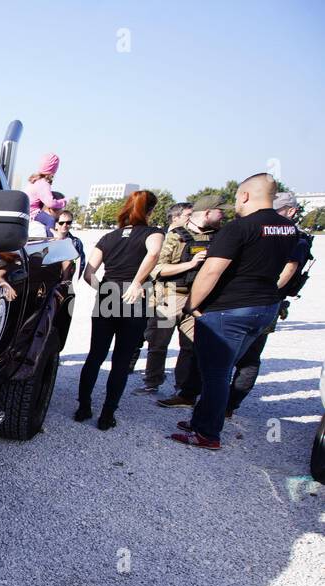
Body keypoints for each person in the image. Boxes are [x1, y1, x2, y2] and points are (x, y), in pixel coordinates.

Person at [170, 173, 301, 450]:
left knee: (216, 374)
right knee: (224, 369)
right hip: (265, 308)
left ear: (244, 195)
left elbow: (212, 270)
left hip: (230, 309)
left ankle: (207, 433)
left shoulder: (239, 228)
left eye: (237, 198)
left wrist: (193, 305)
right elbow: (288, 267)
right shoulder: (288, 228)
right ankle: (202, 419)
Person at [75, 190, 163, 430]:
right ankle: (107, 415)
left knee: (95, 355)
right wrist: (136, 282)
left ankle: (83, 407)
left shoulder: (109, 236)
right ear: (151, 211)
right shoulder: (153, 233)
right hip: (133, 296)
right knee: (121, 361)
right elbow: (154, 252)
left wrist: (102, 289)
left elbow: (88, 273)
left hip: (108, 293)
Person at [225, 191, 314, 418]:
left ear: (291, 211)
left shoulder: (294, 236)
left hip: (266, 302)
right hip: (251, 299)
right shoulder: (271, 232)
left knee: (248, 356)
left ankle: (229, 404)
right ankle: (217, 400)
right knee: (229, 352)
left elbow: (289, 269)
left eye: (276, 211)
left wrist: (264, 295)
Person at [143, 196, 226, 399]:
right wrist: (190, 264)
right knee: (158, 344)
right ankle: (152, 381)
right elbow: (158, 269)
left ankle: (182, 387)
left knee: (190, 346)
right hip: (171, 296)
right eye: (220, 211)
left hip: (199, 298)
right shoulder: (174, 237)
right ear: (207, 212)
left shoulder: (219, 237)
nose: (223, 215)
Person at [24, 153, 65, 237]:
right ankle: (50, 240)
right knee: (50, 220)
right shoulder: (43, 183)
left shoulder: (34, 180)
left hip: (26, 209)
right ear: (53, 170)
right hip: (33, 212)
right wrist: (63, 202)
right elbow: (50, 203)